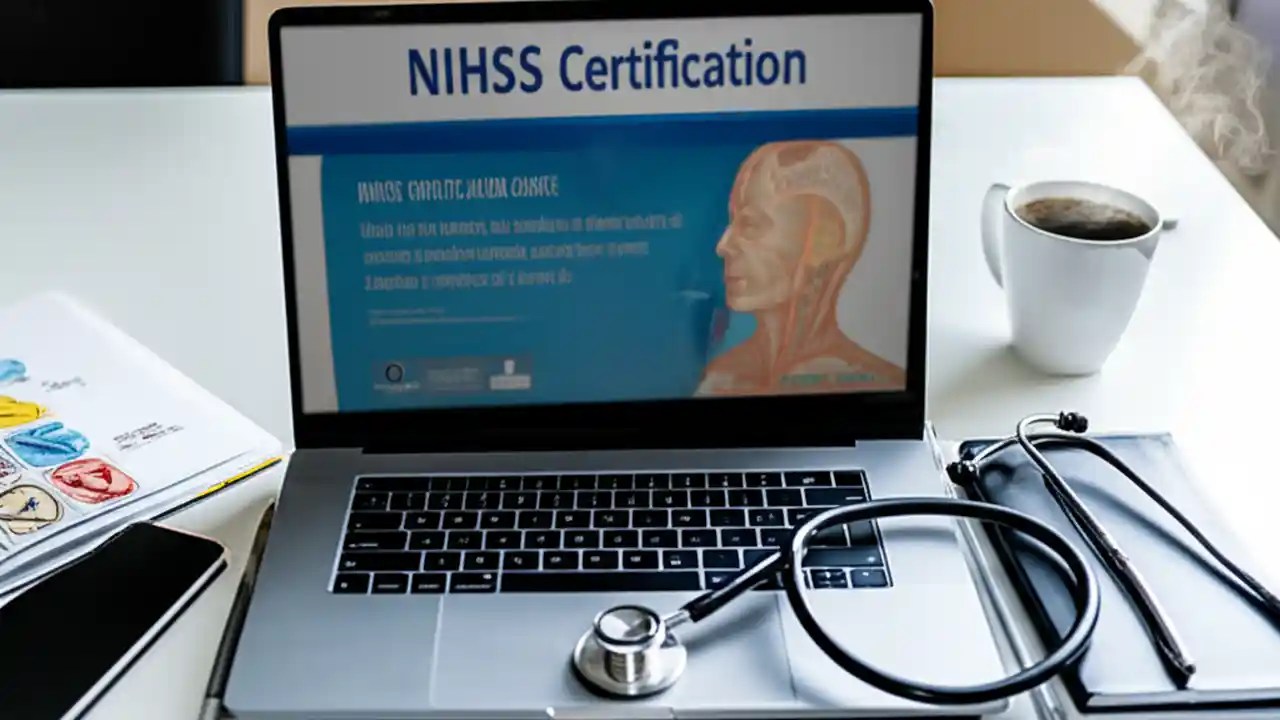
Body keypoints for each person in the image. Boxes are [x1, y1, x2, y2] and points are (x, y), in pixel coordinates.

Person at [697, 140, 905, 396]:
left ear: (825, 238)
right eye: (733, 224)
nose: (723, 245)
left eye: (749, 225)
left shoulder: (882, 384)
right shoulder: (720, 379)